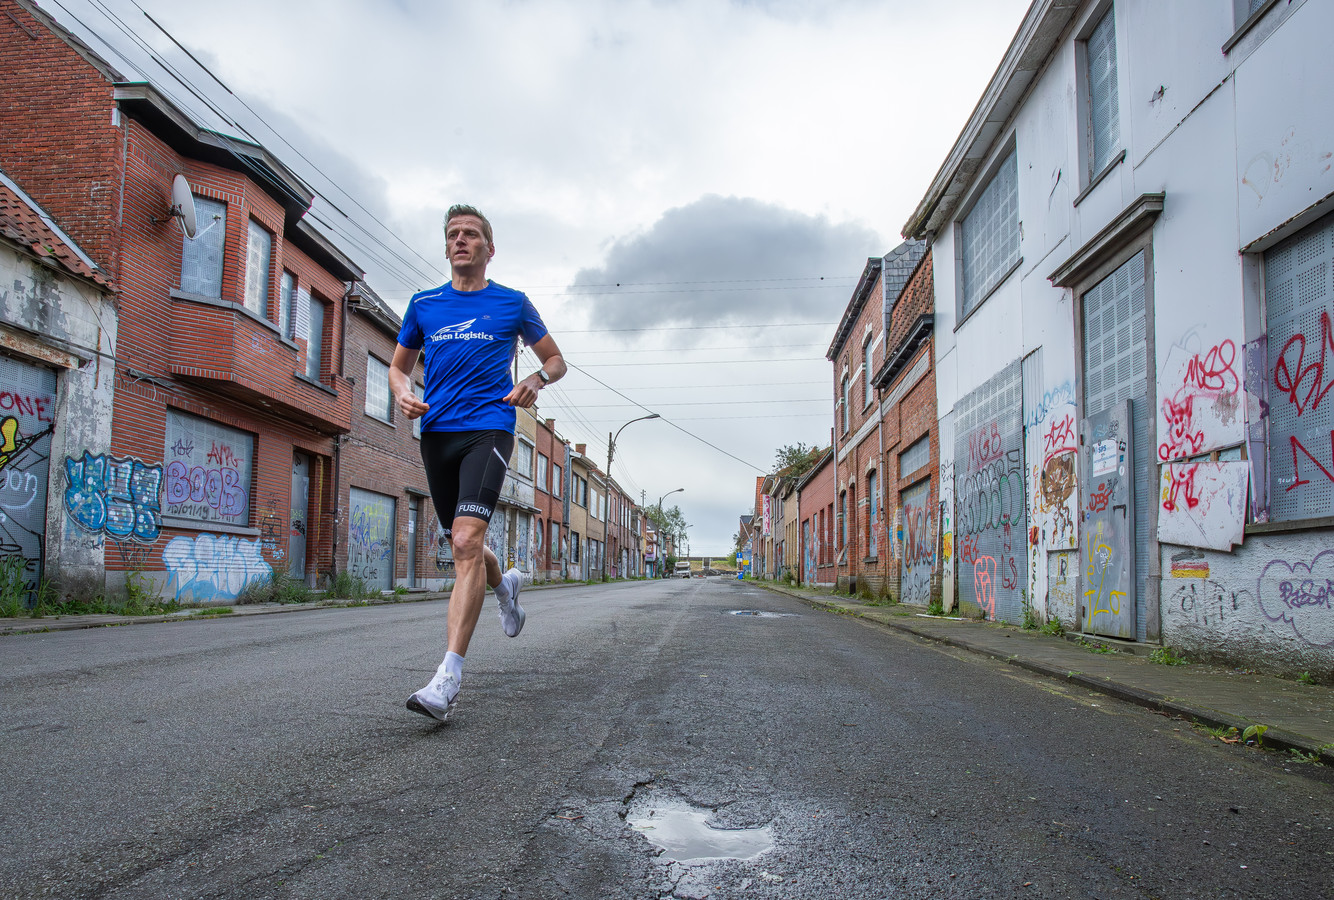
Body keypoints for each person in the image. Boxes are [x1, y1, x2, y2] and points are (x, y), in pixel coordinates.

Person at [389, 204, 566, 722]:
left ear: (489, 248)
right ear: (446, 247)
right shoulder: (423, 305)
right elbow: (400, 369)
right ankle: (505, 583)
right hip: (436, 431)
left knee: (466, 541)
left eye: (471, 234)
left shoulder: (512, 303)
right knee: (464, 544)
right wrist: (401, 392)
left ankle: (447, 678)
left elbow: (554, 359)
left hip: (490, 427)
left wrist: (536, 379)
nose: (460, 240)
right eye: (453, 234)